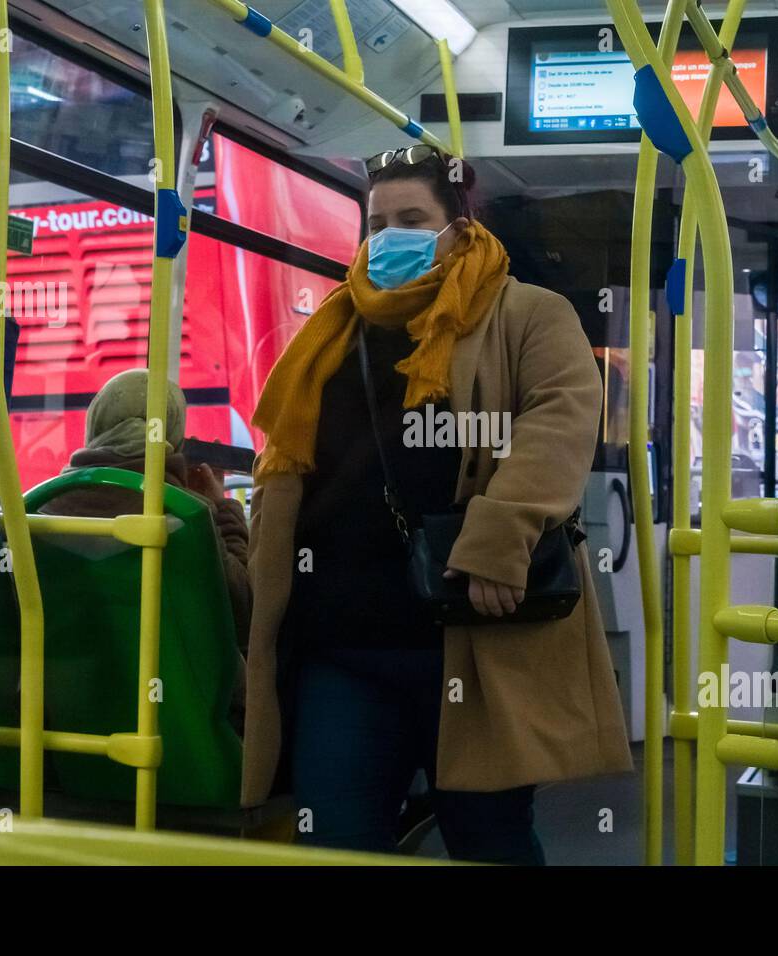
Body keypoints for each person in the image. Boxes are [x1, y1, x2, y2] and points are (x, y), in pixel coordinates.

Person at [241, 145, 632, 863]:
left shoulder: (527, 315)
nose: (390, 236)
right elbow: (291, 466)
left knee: (489, 840)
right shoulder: (334, 328)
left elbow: (560, 419)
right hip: (343, 644)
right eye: (378, 221)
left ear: (458, 225)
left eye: (413, 218)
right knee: (335, 843)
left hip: (472, 636)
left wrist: (500, 537)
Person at [40, 369, 251, 725]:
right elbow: (245, 610)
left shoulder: (42, 509)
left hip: (69, 720)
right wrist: (220, 509)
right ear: (171, 436)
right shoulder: (185, 516)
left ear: (95, 424)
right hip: (185, 725)